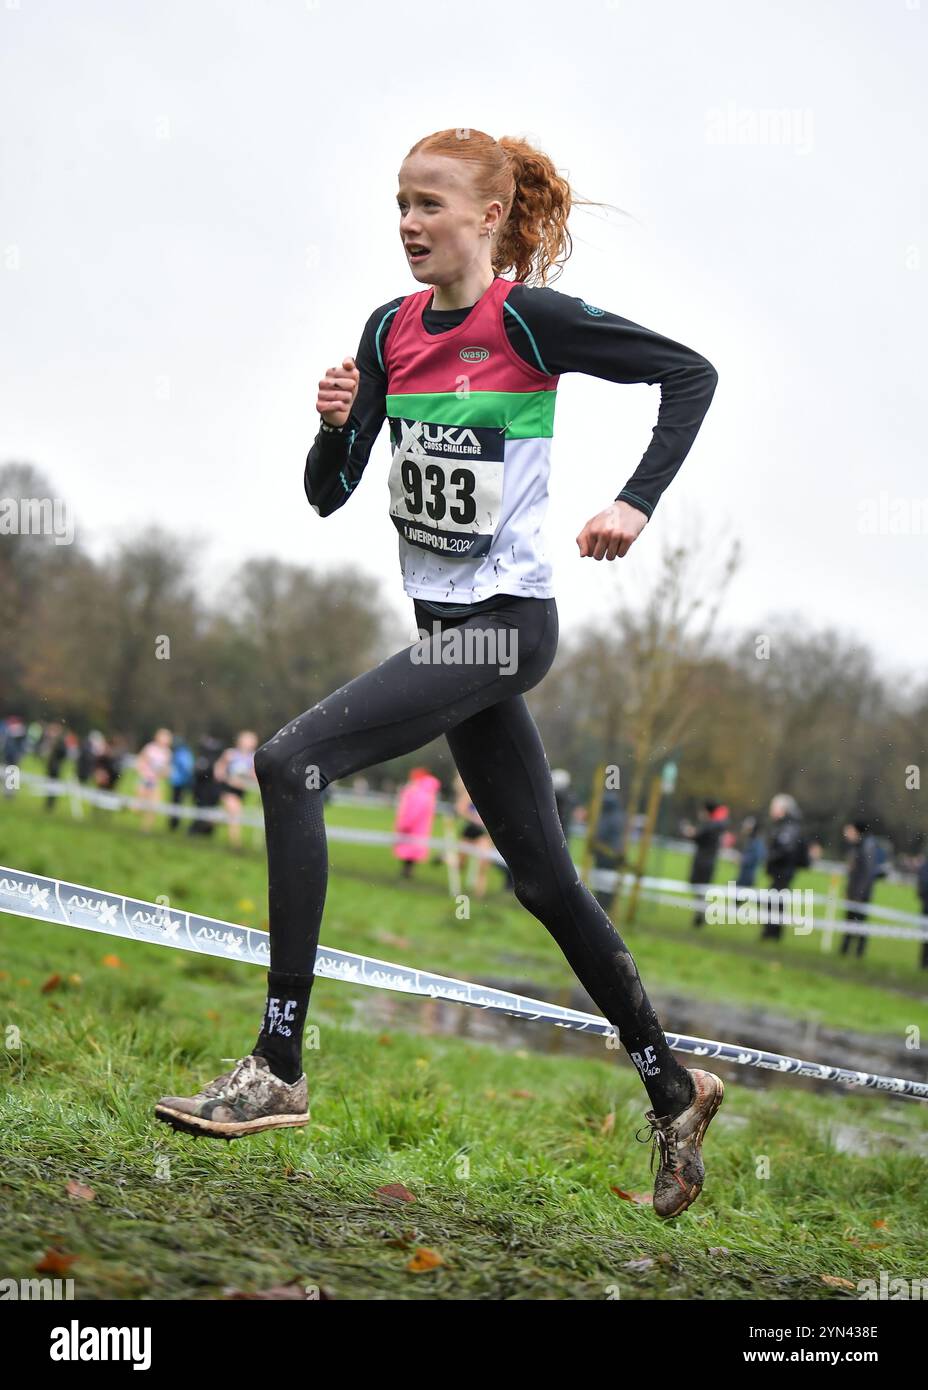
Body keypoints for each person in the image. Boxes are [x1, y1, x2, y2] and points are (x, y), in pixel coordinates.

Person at [155, 128, 723, 1220]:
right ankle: (670, 1084)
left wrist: (633, 501)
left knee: (291, 761)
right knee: (546, 882)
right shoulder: (389, 331)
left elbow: (689, 375)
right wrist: (331, 428)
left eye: (429, 205)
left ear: (489, 219)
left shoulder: (526, 320)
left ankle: (276, 1066)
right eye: (399, 204)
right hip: (443, 629)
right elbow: (331, 492)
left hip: (505, 628)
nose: (409, 223)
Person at [760, 793, 810, 941]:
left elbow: (785, 850)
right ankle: (770, 933)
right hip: (781, 871)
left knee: (776, 902)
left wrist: (770, 857)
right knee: (773, 901)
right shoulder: (787, 825)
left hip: (783, 871)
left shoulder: (789, 827)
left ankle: (772, 934)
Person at [839, 817, 880, 959]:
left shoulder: (866, 846)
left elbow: (867, 873)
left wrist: (858, 893)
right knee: (851, 922)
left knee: (859, 923)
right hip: (855, 892)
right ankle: (845, 951)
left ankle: (857, 953)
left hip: (860, 894)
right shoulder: (858, 846)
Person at [683, 800, 727, 927]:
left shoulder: (711, 826)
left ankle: (701, 915)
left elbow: (697, 836)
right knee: (701, 890)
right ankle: (700, 914)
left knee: (699, 889)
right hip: (707, 862)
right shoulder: (716, 825)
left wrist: (690, 832)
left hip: (703, 862)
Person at [212, 731, 259, 848]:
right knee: (235, 811)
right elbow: (218, 772)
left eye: (251, 741)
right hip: (226, 788)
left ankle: (210, 821)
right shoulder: (230, 754)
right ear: (240, 741)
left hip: (240, 791)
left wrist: (246, 779)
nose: (249, 743)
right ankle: (236, 844)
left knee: (228, 814)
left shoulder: (253, 758)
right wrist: (228, 778)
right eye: (247, 740)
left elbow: (255, 777)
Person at [393, 767, 442, 879]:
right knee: (412, 852)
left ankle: (407, 872)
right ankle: (408, 872)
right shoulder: (428, 793)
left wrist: (405, 824)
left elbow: (412, 811)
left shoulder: (418, 793)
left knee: (409, 851)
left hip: (412, 828)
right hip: (420, 829)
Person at [454, 772, 494, 899]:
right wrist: (475, 819)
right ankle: (445, 858)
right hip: (469, 831)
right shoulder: (471, 792)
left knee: (483, 865)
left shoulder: (492, 795)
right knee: (460, 864)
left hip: (483, 835)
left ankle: (478, 896)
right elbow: (460, 809)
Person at [133, 727, 172, 830]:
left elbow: (167, 770)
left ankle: (145, 828)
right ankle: (138, 810)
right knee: (137, 807)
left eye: (166, 738)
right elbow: (140, 761)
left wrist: (164, 773)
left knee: (153, 807)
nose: (165, 740)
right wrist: (142, 771)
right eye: (163, 737)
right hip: (144, 778)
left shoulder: (167, 752)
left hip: (156, 782)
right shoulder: (150, 748)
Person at [168, 735, 196, 832]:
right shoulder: (186, 752)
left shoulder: (181, 753)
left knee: (177, 802)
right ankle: (174, 824)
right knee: (178, 803)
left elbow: (186, 767)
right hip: (182, 781)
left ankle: (174, 825)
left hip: (180, 782)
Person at [735, 814, 765, 890]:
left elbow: (757, 856)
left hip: (748, 876)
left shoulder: (756, 841)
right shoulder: (751, 840)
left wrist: (742, 859)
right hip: (744, 875)